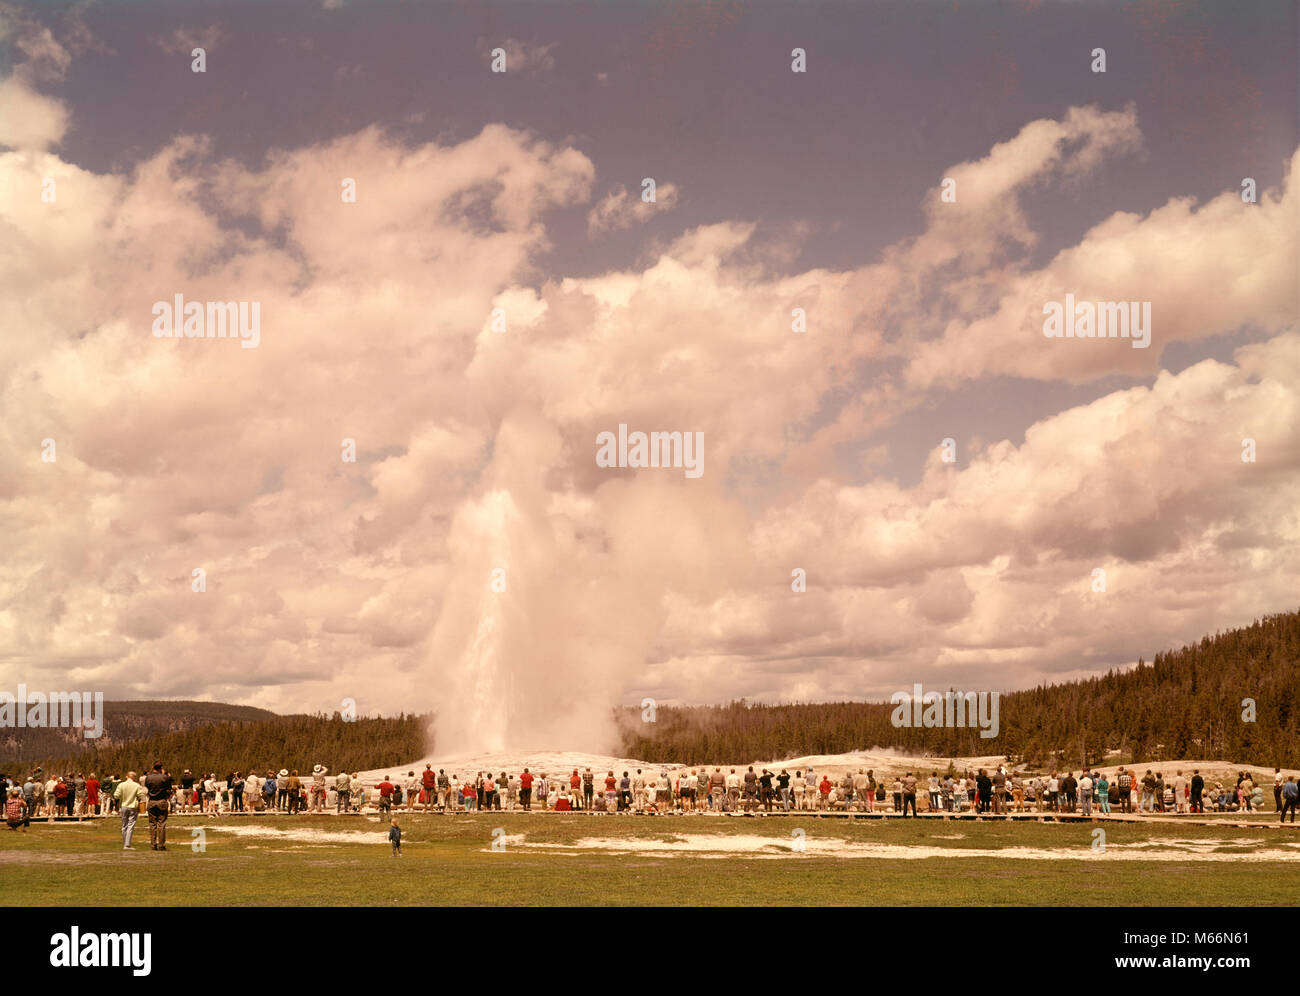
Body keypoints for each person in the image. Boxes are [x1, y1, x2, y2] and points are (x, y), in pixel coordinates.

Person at [143, 763, 173, 851]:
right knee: (162, 824)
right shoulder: (164, 777)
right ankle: (161, 845)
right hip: (162, 801)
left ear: (153, 768)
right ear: (161, 768)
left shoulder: (148, 778)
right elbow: (169, 789)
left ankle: (153, 844)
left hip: (151, 801)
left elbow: (147, 787)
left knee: (152, 824)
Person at [113, 771, 144, 849]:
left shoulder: (121, 785)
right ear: (134, 777)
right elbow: (141, 796)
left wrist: (122, 797)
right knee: (131, 825)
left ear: (127, 776)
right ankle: (127, 844)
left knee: (124, 825)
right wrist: (137, 799)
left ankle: (125, 843)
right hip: (133, 806)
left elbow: (116, 795)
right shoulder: (137, 785)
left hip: (123, 805)